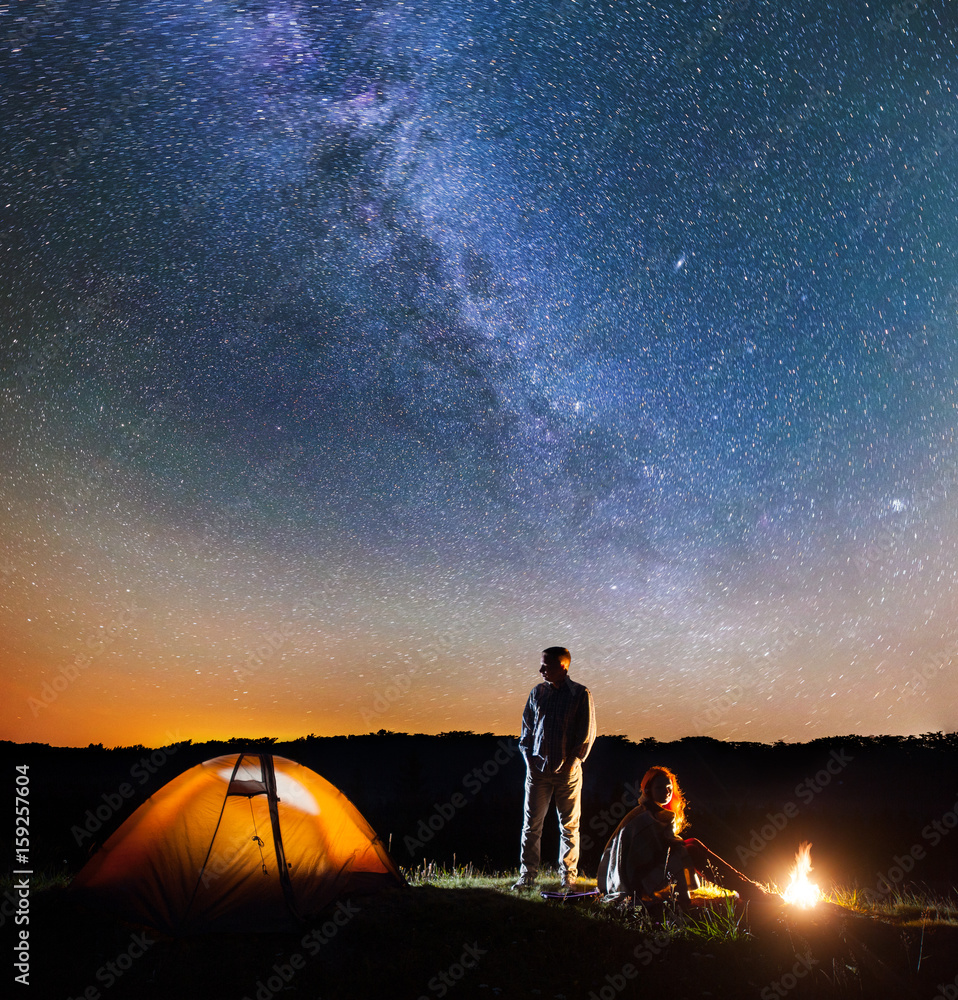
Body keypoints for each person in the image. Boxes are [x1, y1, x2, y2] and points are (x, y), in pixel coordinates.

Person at [597, 765, 767, 907]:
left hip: (648, 870)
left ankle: (746, 886)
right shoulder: (645, 817)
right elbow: (640, 856)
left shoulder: (654, 812)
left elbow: (661, 846)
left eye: (669, 788)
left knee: (692, 843)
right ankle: (747, 888)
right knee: (690, 849)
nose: (666, 792)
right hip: (638, 881)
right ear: (648, 790)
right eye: (659, 788)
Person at [512, 647, 596, 891]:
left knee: (569, 827)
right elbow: (526, 730)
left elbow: (586, 734)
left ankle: (568, 877)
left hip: (567, 774)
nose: (540, 670)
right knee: (531, 825)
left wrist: (570, 765)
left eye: (545, 665)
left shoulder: (580, 694)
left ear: (562, 667)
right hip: (537, 771)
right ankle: (527, 875)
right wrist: (529, 762)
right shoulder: (537, 692)